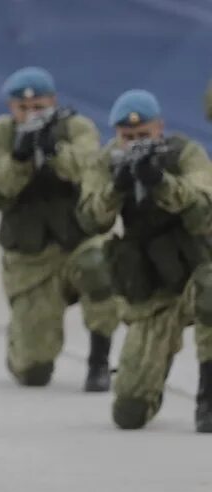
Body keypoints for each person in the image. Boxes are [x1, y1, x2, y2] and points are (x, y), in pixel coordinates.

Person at [0, 66, 118, 391]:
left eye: (39, 107)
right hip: (30, 257)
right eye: (23, 108)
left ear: (53, 102)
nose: (31, 114)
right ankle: (23, 344)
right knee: (33, 373)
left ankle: (99, 362)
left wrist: (53, 150)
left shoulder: (76, 127)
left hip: (75, 244)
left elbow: (89, 170)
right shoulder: (1, 135)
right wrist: (19, 158)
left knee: (100, 265)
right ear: (11, 107)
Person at [78, 90, 212, 431]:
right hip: (154, 289)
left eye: (144, 135)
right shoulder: (106, 162)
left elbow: (203, 211)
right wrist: (117, 188)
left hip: (197, 273)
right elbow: (92, 220)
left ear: (160, 128)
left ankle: (208, 399)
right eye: (128, 137)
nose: (136, 143)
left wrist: (160, 181)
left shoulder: (185, 153)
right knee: (129, 412)